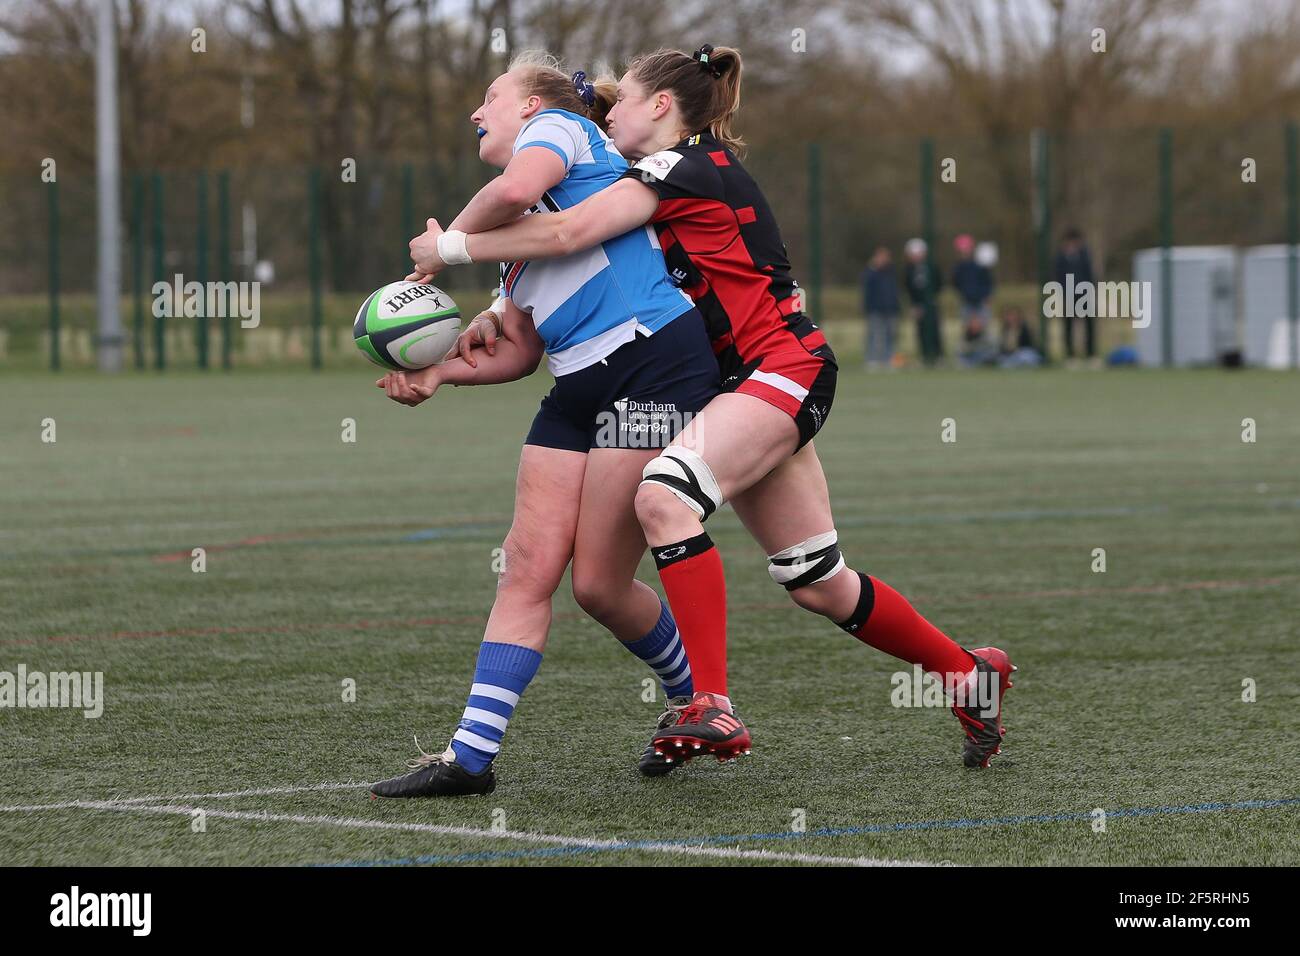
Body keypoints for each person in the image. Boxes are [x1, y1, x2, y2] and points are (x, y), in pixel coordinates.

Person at [410, 45, 1015, 771]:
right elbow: (577, 253)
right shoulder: (653, 176)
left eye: (625, 101)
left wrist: (450, 245)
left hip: (781, 365)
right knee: (816, 580)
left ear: (662, 107)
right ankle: (966, 674)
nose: (612, 112)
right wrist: (499, 303)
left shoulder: (679, 167)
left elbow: (571, 232)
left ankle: (710, 703)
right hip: (734, 386)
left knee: (665, 496)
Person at [369, 53, 722, 799]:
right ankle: (470, 758)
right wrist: (438, 374)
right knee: (527, 563)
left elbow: (514, 188)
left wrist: (435, 257)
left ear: (533, 106)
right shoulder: (516, 251)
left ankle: (695, 702)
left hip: (655, 365)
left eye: (490, 97)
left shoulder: (563, 130)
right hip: (579, 386)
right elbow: (522, 354)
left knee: (597, 584)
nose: (475, 113)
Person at [1054, 227, 1095, 359]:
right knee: (1068, 325)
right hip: (1069, 295)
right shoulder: (1061, 257)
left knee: (1089, 325)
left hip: (1085, 294)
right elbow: (1058, 276)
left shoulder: (1084, 255)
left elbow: (1089, 274)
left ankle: (1090, 353)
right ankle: (1070, 355)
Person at [901, 237, 943, 365]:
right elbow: (908, 288)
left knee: (935, 329)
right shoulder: (909, 270)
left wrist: (933, 298)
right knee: (921, 331)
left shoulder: (931, 267)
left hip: (931, 304)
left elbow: (939, 283)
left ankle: (938, 356)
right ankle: (925, 356)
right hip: (918, 305)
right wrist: (914, 305)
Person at [861, 246, 899, 368]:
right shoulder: (871, 273)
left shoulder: (891, 272)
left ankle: (889, 359)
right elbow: (866, 289)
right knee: (873, 334)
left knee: (890, 335)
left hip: (890, 309)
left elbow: (894, 290)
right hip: (875, 309)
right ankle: (872, 359)